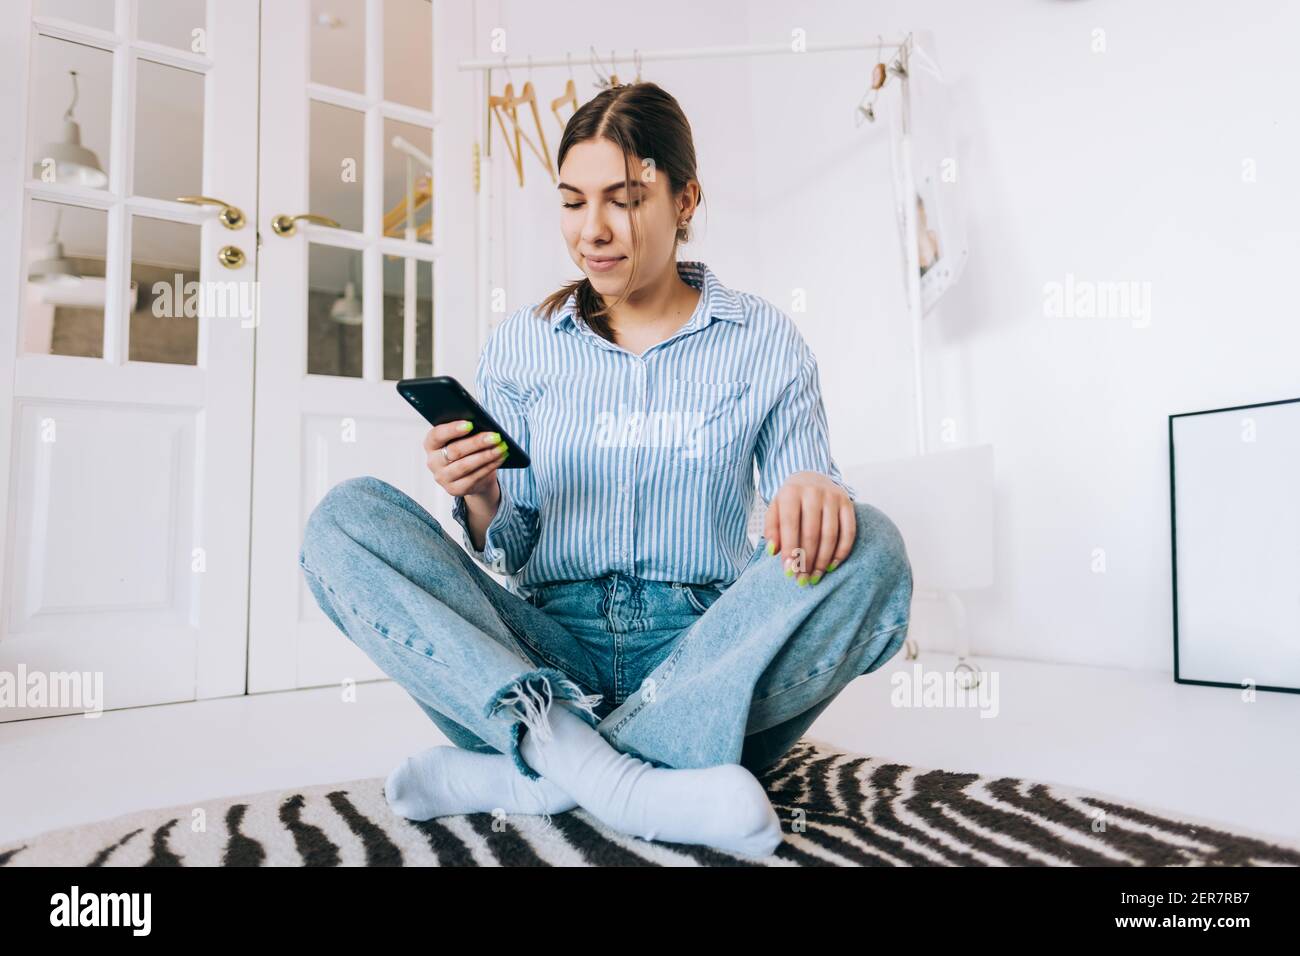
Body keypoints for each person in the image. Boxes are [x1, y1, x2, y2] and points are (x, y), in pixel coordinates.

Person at [299, 82, 913, 859]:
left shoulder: (764, 341)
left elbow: (808, 513)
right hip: (545, 652)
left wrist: (816, 491)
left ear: (685, 199)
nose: (593, 232)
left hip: (703, 661)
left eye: (624, 200)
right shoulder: (523, 345)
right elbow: (511, 550)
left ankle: (541, 772)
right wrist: (484, 496)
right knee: (344, 519)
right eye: (572, 202)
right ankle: (618, 772)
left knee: (877, 547)